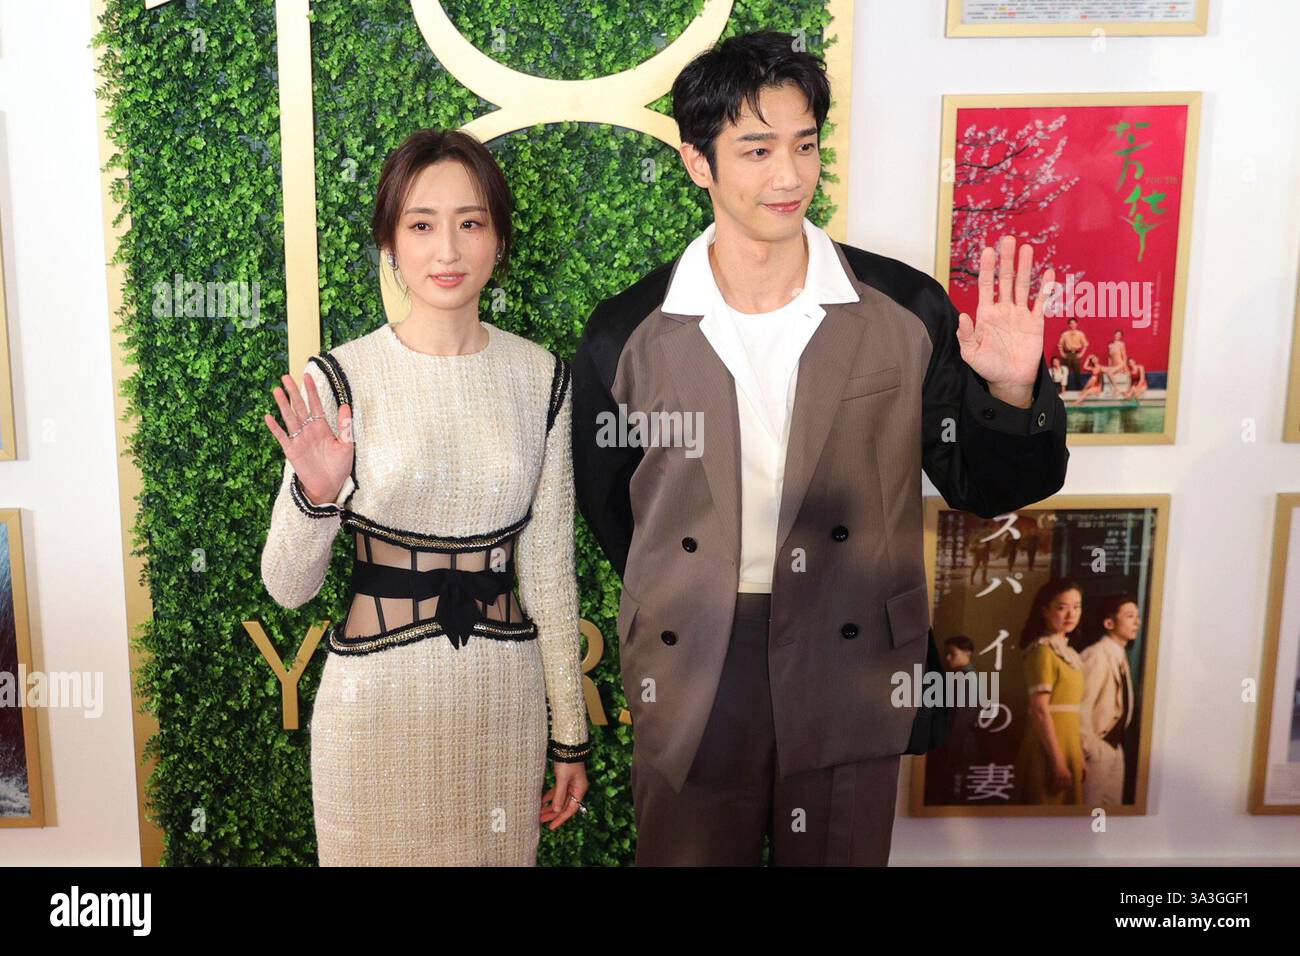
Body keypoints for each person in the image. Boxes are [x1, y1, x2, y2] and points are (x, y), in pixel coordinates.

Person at [571, 31, 1069, 866]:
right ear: (699, 163)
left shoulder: (904, 308)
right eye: (757, 149)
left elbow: (986, 485)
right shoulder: (628, 331)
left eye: (804, 145)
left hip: (852, 659)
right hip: (697, 660)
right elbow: (614, 507)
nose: (789, 175)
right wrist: (695, 579)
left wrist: (1013, 392)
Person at [260, 129, 589, 865]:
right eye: (421, 225)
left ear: (498, 239)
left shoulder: (542, 379)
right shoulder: (338, 379)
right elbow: (287, 588)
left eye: (470, 223)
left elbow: (548, 578)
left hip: (501, 707)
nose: (447, 251)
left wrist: (569, 733)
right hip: (372, 712)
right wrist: (317, 497)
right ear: (389, 241)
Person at [1014, 579, 1086, 805]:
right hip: (1048, 746)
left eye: (1077, 607)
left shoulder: (1069, 652)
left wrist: (1078, 754)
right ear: (1045, 610)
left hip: (1069, 742)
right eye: (1062, 607)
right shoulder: (1042, 651)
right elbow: (1039, 710)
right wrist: (1057, 760)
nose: (1071, 614)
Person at [1080, 593, 1138, 807]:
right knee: (1089, 813)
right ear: (1109, 622)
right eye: (1130, 615)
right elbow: (1080, 706)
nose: (1137, 622)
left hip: (1115, 747)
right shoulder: (1096, 655)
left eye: (1137, 616)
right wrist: (1091, 748)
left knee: (1112, 813)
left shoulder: (1119, 656)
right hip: (1098, 747)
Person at [1057, 318, 1088, 389]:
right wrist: (1062, 353)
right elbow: (1060, 345)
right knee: (1066, 371)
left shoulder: (1080, 334)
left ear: (1076, 324)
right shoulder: (1064, 334)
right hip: (1067, 354)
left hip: (1076, 354)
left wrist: (1082, 353)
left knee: (1077, 371)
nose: (1072, 325)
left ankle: (1078, 388)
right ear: (1069, 325)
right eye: (1071, 323)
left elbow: (1085, 344)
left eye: (1074, 323)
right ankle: (1065, 388)